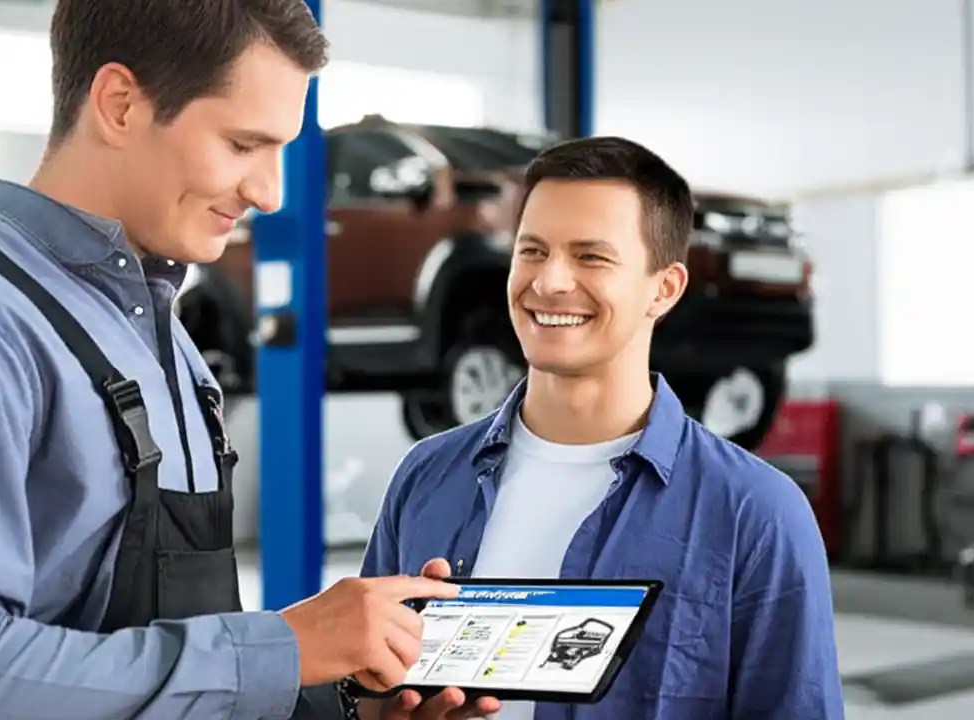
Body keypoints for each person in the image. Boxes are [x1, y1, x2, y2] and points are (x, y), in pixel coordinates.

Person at [0, 2, 458, 718]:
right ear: (120, 105)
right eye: (244, 144)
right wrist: (279, 648)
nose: (269, 192)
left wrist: (340, 696)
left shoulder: (168, 341)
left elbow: (181, 660)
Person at [360, 136, 846, 720]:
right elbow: (367, 690)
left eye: (591, 257)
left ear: (663, 289)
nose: (550, 282)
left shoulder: (754, 512)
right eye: (532, 251)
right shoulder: (426, 478)